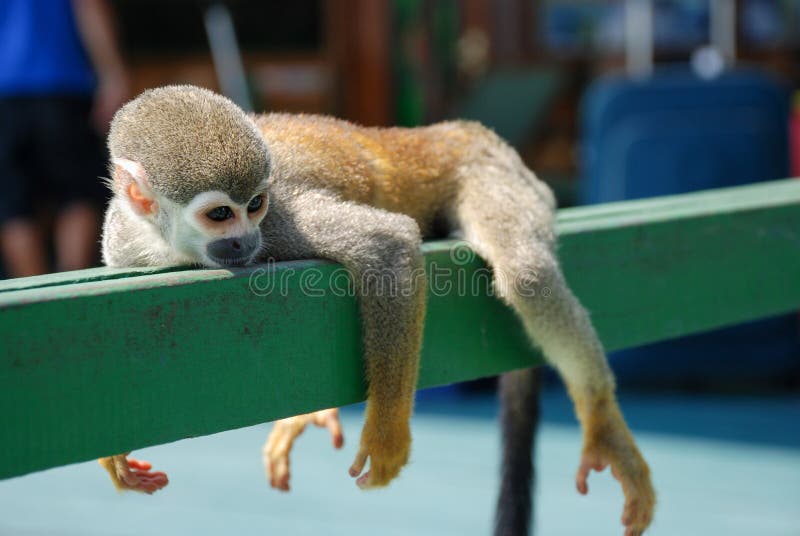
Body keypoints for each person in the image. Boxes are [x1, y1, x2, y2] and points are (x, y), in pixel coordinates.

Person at [0, 0, 130, 277]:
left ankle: (31, 303)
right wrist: (113, 73)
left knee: (11, 205)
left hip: (5, 94)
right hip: (62, 86)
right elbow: (90, 7)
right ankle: (70, 288)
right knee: (78, 194)